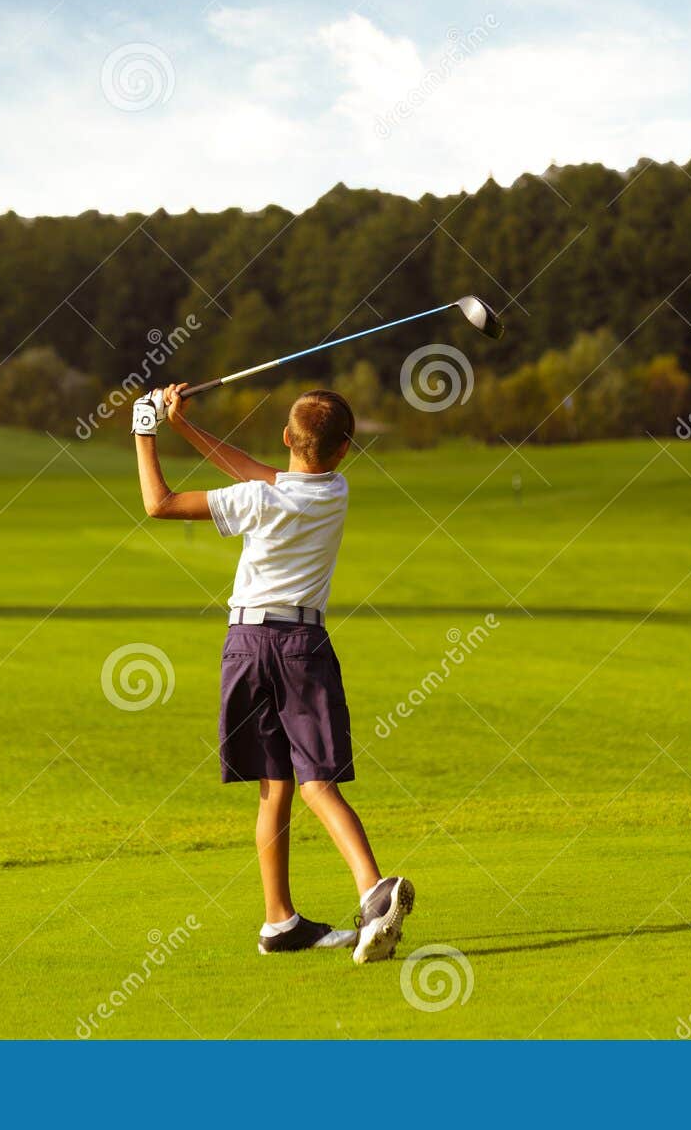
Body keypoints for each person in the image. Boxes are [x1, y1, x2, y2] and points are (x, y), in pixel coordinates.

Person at [130, 383, 415, 963]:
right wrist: (184, 426)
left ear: (286, 436)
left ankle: (280, 921)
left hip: (243, 644)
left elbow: (159, 503)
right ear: (344, 449)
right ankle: (369, 892)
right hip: (301, 646)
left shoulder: (257, 500)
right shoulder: (336, 491)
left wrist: (146, 429)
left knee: (274, 785)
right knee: (316, 782)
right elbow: (261, 473)